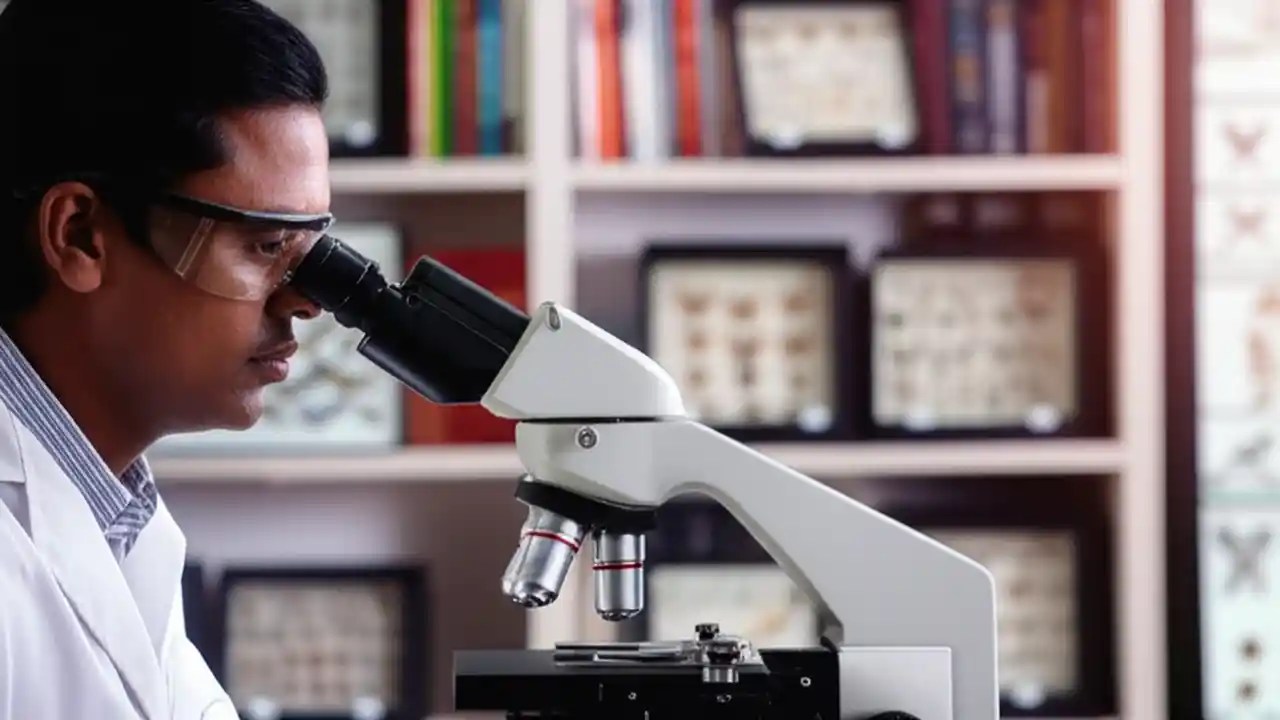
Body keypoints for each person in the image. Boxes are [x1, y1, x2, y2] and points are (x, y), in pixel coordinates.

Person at [0, 0, 334, 716]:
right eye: (267, 246)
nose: (306, 302)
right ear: (81, 235)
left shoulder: (120, 517)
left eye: (313, 252)